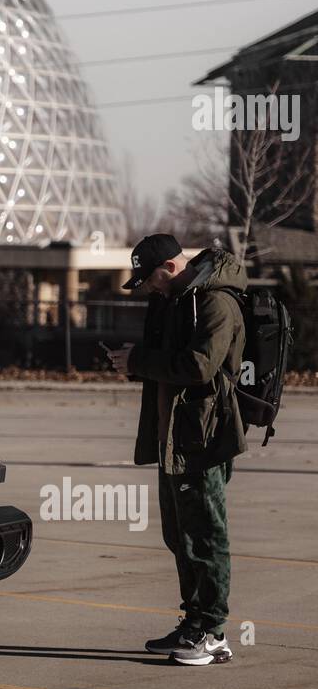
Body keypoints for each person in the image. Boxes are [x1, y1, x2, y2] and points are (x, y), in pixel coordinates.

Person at [106, 233, 247, 666]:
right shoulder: (174, 301)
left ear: (169, 267)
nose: (147, 288)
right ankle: (193, 626)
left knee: (206, 535)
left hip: (203, 438)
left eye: (148, 280)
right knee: (180, 537)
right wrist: (134, 363)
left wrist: (138, 360)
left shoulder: (214, 302)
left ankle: (213, 632)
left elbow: (199, 367)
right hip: (174, 439)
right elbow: (168, 362)